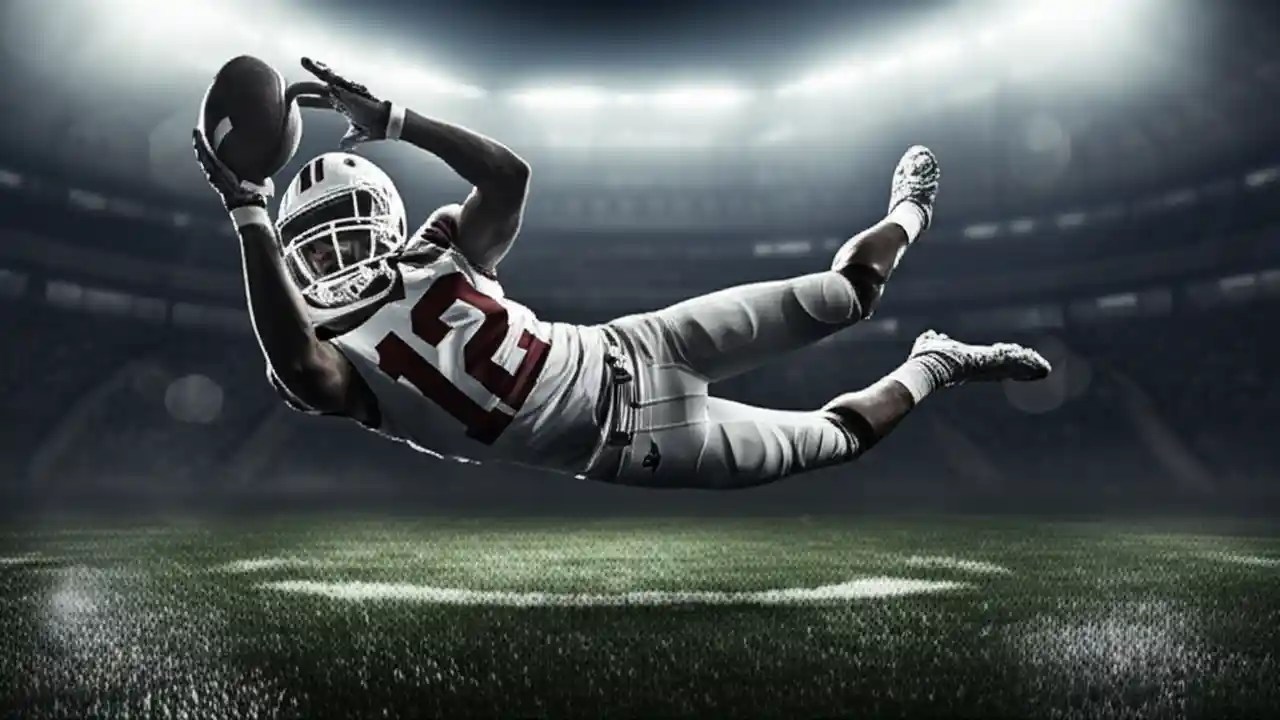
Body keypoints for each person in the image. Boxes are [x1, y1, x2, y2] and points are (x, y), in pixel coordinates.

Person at [192, 58, 1050, 489]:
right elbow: (300, 364)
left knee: (846, 298)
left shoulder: (438, 246)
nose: (336, 254)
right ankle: (936, 363)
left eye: (344, 232)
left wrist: (399, 118)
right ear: (284, 253)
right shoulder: (314, 354)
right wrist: (247, 212)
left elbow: (510, 177)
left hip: (635, 345)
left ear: (383, 215)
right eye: (315, 242)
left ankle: (910, 214)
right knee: (834, 441)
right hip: (634, 447)